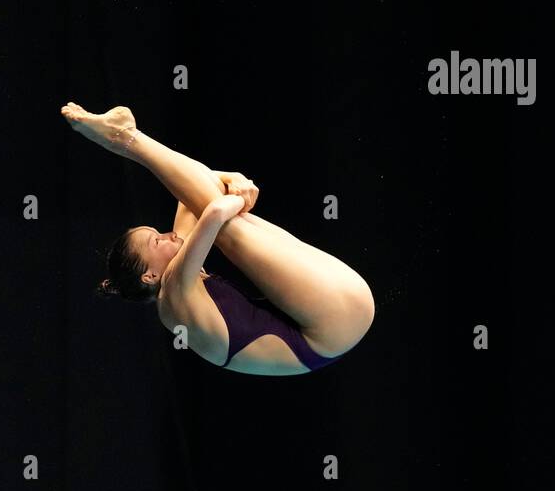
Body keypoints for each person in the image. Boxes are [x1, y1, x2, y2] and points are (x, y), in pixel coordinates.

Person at [61, 102, 374, 375]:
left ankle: (127, 136)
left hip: (337, 322)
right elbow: (213, 215)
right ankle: (126, 139)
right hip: (333, 323)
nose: (168, 235)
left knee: (213, 208)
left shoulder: (175, 285)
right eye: (157, 241)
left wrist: (230, 180)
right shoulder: (174, 294)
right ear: (149, 274)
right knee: (228, 229)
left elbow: (190, 198)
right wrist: (240, 196)